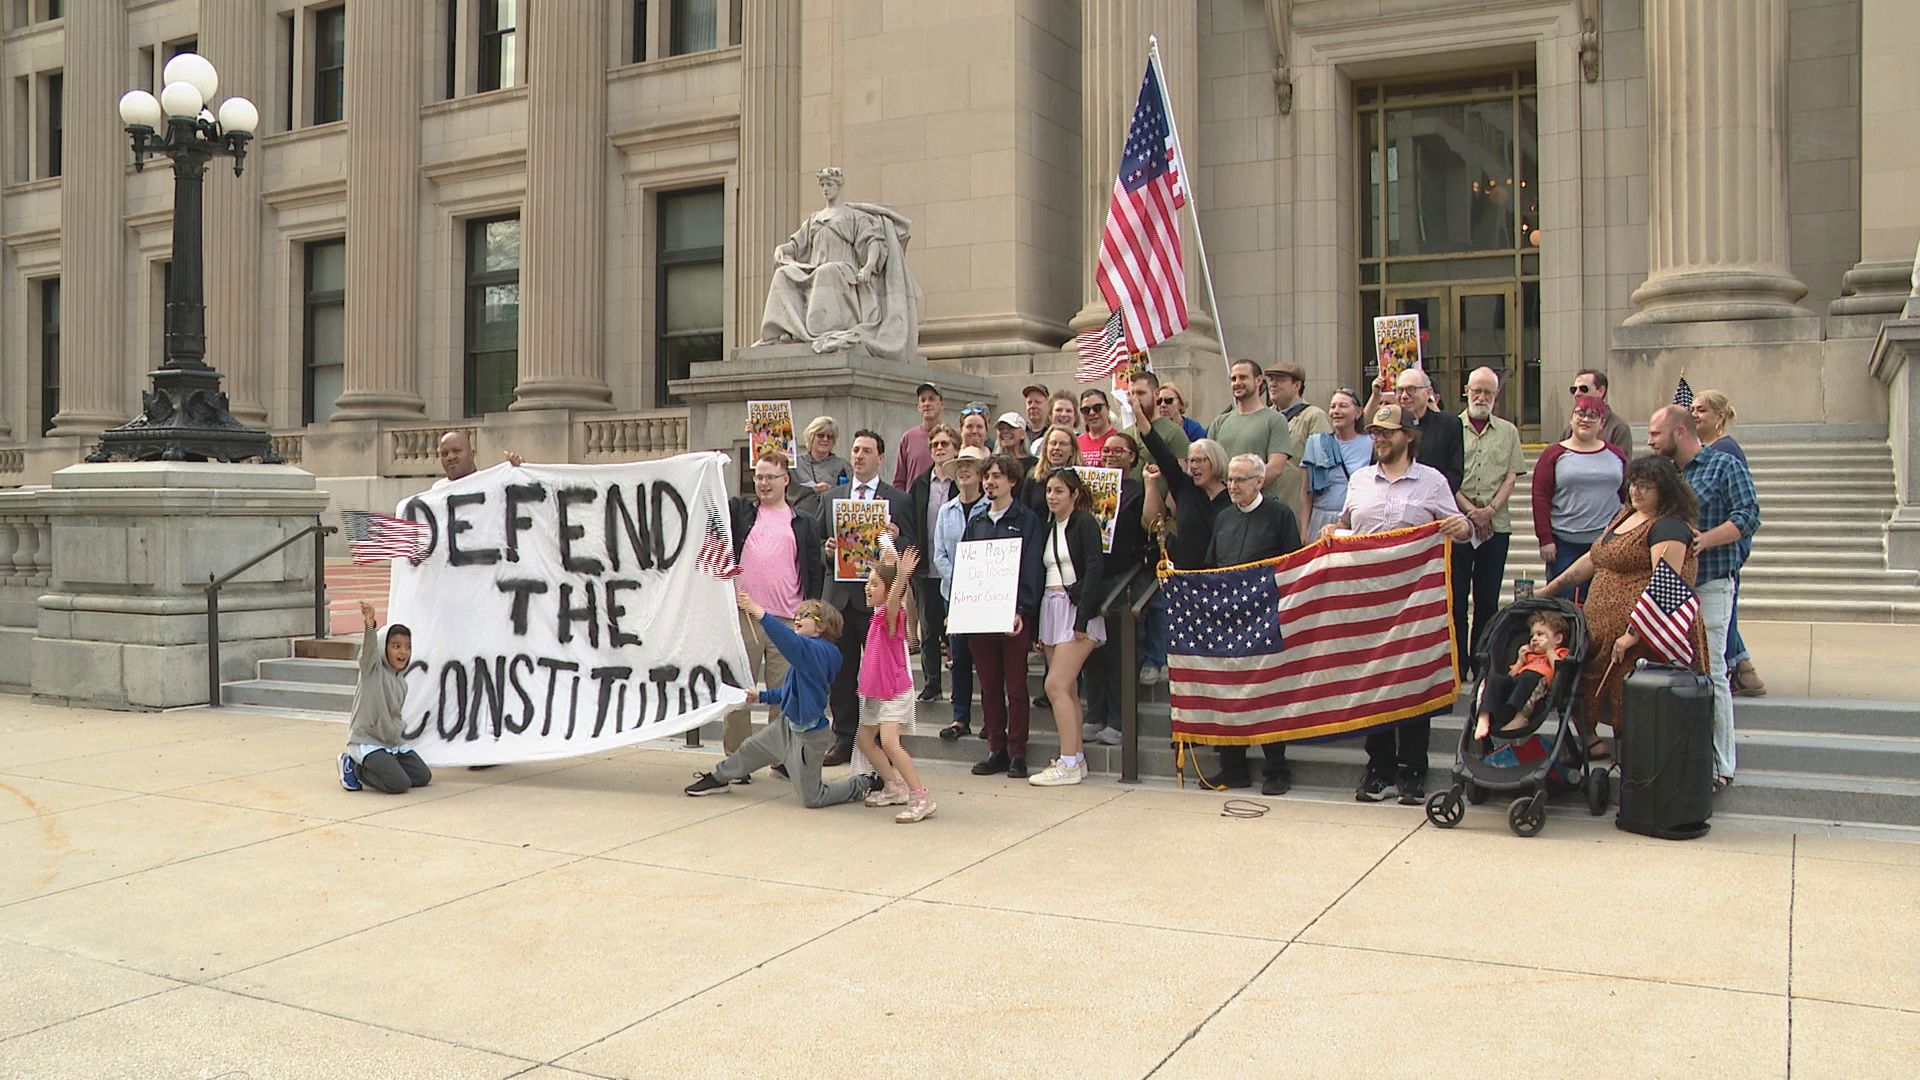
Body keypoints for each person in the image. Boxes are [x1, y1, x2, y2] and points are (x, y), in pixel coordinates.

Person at [1323, 404, 1472, 805]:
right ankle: (1379, 768)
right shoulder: (1359, 481)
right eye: (1375, 433)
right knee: (1373, 682)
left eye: (1388, 432)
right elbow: (1347, 526)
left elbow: (1460, 527)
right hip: (1368, 603)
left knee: (1413, 681)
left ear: (1409, 436)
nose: (1380, 439)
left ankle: (1412, 770)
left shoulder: (1432, 481)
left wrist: (1463, 526)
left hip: (1415, 603)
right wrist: (1333, 530)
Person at [1538, 454, 1706, 760]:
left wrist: (1633, 634)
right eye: (1633, 484)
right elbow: (1594, 558)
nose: (1636, 491)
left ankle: (1639, 772)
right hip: (1599, 632)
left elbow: (1665, 586)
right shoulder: (1626, 514)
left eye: (1646, 486)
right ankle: (1592, 743)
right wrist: (1550, 589)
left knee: (1629, 704)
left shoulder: (1668, 527)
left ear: (1665, 490)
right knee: (1578, 686)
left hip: (1640, 637)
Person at [1649, 404, 1759, 792]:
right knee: (1670, 670)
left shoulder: (1724, 465)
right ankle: (1679, 754)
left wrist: (1704, 540)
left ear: (1679, 433)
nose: (1649, 440)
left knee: (1712, 671)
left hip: (1711, 583)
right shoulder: (1662, 475)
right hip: (1668, 584)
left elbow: (1749, 515)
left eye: (1656, 434)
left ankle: (1720, 764)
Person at [685, 593, 875, 807]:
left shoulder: (821, 652)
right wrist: (762, 696)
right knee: (749, 748)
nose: (798, 617)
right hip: (786, 726)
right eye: (798, 613)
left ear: (821, 628)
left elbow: (788, 641)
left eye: (806, 615)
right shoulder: (805, 652)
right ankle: (719, 778)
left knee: (813, 798)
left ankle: (861, 783)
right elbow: (791, 691)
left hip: (808, 735)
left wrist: (758, 611)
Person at [815, 429, 915, 766]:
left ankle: (885, 740)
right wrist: (828, 550)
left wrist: (895, 541)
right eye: (855, 450)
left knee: (879, 674)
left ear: (880, 457)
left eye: (867, 451)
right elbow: (817, 546)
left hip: (878, 602)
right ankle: (844, 738)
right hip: (840, 599)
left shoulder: (898, 500)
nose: (859, 456)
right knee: (841, 674)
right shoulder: (832, 499)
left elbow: (913, 550)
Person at [723, 451, 827, 778]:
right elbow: (709, 506)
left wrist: (810, 614)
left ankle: (779, 757)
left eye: (770, 477)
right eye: (759, 476)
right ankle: (737, 760)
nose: (763, 483)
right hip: (745, 616)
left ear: (786, 480)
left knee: (783, 697)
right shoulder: (740, 512)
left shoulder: (803, 523)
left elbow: (814, 568)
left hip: (786, 620)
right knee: (739, 690)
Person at [1206, 454, 1305, 795]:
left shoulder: (1280, 515)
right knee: (1230, 694)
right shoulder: (1223, 518)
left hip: (1266, 619)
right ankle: (1232, 768)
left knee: (1267, 694)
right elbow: (1211, 566)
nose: (1233, 486)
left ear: (1259, 482)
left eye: (1240, 479)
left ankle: (1276, 769)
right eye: (1230, 479)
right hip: (1228, 622)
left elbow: (1293, 565)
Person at [964, 455, 1046, 780]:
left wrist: (1023, 609)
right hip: (980, 616)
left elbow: (1031, 568)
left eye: (997, 476)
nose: (990, 482)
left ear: (1012, 481)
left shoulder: (1025, 520)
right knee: (988, 687)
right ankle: (996, 748)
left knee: (1016, 686)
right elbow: (967, 566)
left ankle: (1018, 752)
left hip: (1013, 617)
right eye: (987, 477)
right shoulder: (976, 519)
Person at [1025, 467, 1108, 787]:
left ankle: (1068, 761)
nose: (1052, 496)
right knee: (1067, 688)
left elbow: (1094, 568)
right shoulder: (1048, 526)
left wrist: (1083, 618)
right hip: (1050, 606)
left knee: (1055, 685)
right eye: (1049, 490)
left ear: (1074, 494)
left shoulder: (1084, 522)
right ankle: (1076, 757)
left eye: (1059, 491)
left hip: (1076, 609)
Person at [852, 544, 936, 822]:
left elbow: (892, 600)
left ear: (888, 590)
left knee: (889, 741)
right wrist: (888, 557)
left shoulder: (892, 615)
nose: (868, 588)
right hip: (876, 689)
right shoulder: (876, 614)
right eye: (867, 583)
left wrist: (900, 576)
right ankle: (893, 785)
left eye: (874, 584)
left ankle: (920, 796)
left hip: (894, 689)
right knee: (865, 740)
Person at [1692, 389, 1765, 698]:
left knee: (1721, 617)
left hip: (1722, 556)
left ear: (1719, 417)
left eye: (1702, 410)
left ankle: (1740, 669)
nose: (1694, 414)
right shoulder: (1703, 451)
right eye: (1692, 409)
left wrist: (1719, 542)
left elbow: (1743, 510)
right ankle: (1745, 670)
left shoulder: (1726, 453)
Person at [1455, 366, 1528, 670]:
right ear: (1466, 391)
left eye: (1488, 392)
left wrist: (1489, 511)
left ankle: (1482, 662)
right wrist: (1472, 511)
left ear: (1496, 395)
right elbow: (1447, 477)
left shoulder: (1509, 431)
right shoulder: (1450, 427)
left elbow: (1511, 476)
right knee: (1457, 599)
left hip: (1495, 527)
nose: (1481, 397)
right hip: (1458, 525)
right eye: (1477, 391)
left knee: (1488, 599)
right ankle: (1457, 662)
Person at [1081, 431, 1148, 744]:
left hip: (1121, 578)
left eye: (1118, 450)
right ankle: (1094, 714)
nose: (1109, 456)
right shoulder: (1086, 488)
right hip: (1090, 577)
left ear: (1132, 457)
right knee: (1091, 651)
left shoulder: (1135, 491)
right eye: (1105, 451)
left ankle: (1119, 721)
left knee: (1119, 654)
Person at [1531, 394, 1627, 603]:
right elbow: (1540, 497)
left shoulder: (1616, 454)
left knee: (1603, 603)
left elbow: (1627, 495)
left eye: (1593, 416)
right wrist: (1545, 538)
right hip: (1564, 542)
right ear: (1571, 418)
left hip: (1606, 542)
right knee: (1563, 605)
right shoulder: (1553, 454)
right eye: (1580, 414)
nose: (1585, 420)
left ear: (1602, 423)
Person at [338, 600, 431, 794]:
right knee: (399, 784)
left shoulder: (401, 683)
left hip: (391, 744)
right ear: (383, 648)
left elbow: (395, 716)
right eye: (396, 646)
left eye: (407, 647)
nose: (403, 652)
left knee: (423, 776)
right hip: (367, 741)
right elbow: (369, 648)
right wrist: (370, 622)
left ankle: (386, 763)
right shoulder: (371, 670)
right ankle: (355, 767)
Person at [932, 446, 991, 741]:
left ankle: (992, 719)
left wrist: (976, 582)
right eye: (959, 467)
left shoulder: (990, 508)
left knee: (987, 658)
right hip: (954, 594)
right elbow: (939, 553)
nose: (964, 471)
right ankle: (960, 717)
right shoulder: (946, 510)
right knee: (960, 657)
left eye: (970, 465)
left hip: (986, 595)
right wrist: (961, 581)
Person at [906, 424, 961, 701]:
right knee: (927, 630)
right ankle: (932, 683)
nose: (939, 449)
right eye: (935, 445)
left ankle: (960, 686)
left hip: (956, 570)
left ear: (956, 449)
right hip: (926, 568)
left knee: (956, 631)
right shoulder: (921, 483)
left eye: (945, 444)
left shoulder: (961, 483)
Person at [1470, 611, 1571, 741]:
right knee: (1494, 679)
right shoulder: (1529, 656)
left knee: (1530, 676)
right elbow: (1511, 676)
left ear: (1557, 638)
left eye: (1540, 634)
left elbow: (1559, 669)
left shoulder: (1559, 652)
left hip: (1537, 684)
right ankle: (1484, 716)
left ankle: (1520, 718)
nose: (1534, 639)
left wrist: (1549, 650)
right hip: (1516, 685)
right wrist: (1519, 661)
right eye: (1532, 635)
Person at [1208, 360, 1295, 504]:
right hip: (1223, 507)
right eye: (1233, 379)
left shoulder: (1275, 420)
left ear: (1258, 380)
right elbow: (1210, 467)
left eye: (1243, 377)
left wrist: (1243, 491)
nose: (1237, 382)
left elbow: (1276, 467)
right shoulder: (1219, 422)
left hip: (1262, 506)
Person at [1141, 431, 1231, 572]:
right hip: (1180, 578)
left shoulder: (1232, 500)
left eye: (1199, 460)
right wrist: (1140, 417)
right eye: (1191, 461)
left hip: (1214, 578)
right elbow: (1162, 454)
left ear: (1215, 461)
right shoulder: (1185, 487)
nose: (1193, 466)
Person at [1265, 361, 1333, 526]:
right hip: (1265, 509)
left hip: (1295, 510)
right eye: (1271, 379)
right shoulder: (1264, 417)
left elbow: (1322, 469)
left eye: (1280, 380)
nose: (1273, 384)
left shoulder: (1314, 416)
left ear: (1297, 385)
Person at [1299, 387, 1373, 537]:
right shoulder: (1316, 443)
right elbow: (1306, 492)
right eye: (1333, 406)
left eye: (1343, 406)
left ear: (1358, 413)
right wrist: (1304, 529)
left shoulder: (1371, 442)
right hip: (1321, 521)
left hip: (1355, 521)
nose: (1336, 411)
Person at [1560, 369, 1633, 454]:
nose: (1577, 393)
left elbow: (1622, 464)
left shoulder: (1618, 428)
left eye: (1583, 389)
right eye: (1574, 389)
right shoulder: (1569, 431)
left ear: (1601, 391)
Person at [791, 416, 850, 518]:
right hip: (800, 519)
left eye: (830, 437)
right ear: (811, 437)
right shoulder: (795, 463)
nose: (825, 439)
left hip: (829, 519)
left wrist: (832, 490)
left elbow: (851, 493)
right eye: (821, 435)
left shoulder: (843, 465)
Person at [892, 382, 944, 489]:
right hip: (913, 503)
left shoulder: (953, 437)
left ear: (942, 404)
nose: (927, 404)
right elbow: (899, 481)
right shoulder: (908, 438)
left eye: (931, 399)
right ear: (918, 406)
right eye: (923, 400)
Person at [1025, 425, 1082, 514]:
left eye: (1063, 444)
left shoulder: (1081, 479)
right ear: (1046, 447)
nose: (1057, 448)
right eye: (1053, 443)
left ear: (1072, 450)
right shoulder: (1033, 476)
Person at [1077, 388, 1117, 466]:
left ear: (1108, 408)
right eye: (1086, 410)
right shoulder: (1076, 443)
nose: (1092, 413)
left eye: (1097, 408)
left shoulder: (1120, 440)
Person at [994, 411, 1037, 476]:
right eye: (1001, 429)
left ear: (1023, 434)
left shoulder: (1034, 465)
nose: (1005, 431)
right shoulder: (992, 462)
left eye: (1010, 428)